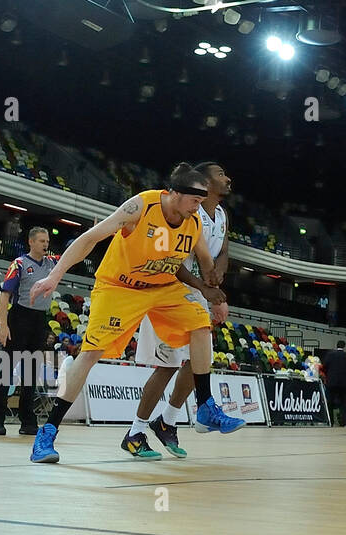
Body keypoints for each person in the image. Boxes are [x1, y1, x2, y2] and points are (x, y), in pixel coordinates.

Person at [27, 163, 243, 464]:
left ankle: (205, 405)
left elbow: (207, 261)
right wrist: (55, 276)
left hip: (164, 288)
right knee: (90, 355)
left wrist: (213, 284)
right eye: (195, 201)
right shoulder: (141, 206)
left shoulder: (192, 222)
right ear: (175, 194)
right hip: (121, 287)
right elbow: (91, 238)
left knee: (201, 325)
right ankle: (47, 433)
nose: (198, 208)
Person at [129, 161, 233, 458]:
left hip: (198, 292)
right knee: (168, 365)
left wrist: (216, 286)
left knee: (198, 363)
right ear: (204, 182)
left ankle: (168, 422)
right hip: (168, 288)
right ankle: (135, 431)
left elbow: (223, 250)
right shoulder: (187, 209)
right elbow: (171, 260)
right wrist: (208, 288)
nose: (228, 178)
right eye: (221, 174)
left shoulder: (222, 214)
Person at [0, 226, 58, 436]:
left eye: (47, 241)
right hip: (19, 317)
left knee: (31, 371)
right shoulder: (19, 264)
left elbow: (76, 252)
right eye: (41, 241)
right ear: (31, 242)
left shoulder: (52, 262)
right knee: (6, 370)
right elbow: (4, 295)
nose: (45, 245)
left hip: (39, 320)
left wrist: (93, 233)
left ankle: (28, 421)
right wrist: (3, 326)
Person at [321, 339, 346, 426]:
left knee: (330, 402)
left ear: (336, 345)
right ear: (344, 346)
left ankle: (330, 421)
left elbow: (324, 366)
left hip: (332, 382)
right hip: (344, 383)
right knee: (344, 403)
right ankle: (345, 422)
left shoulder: (330, 355)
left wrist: (328, 375)